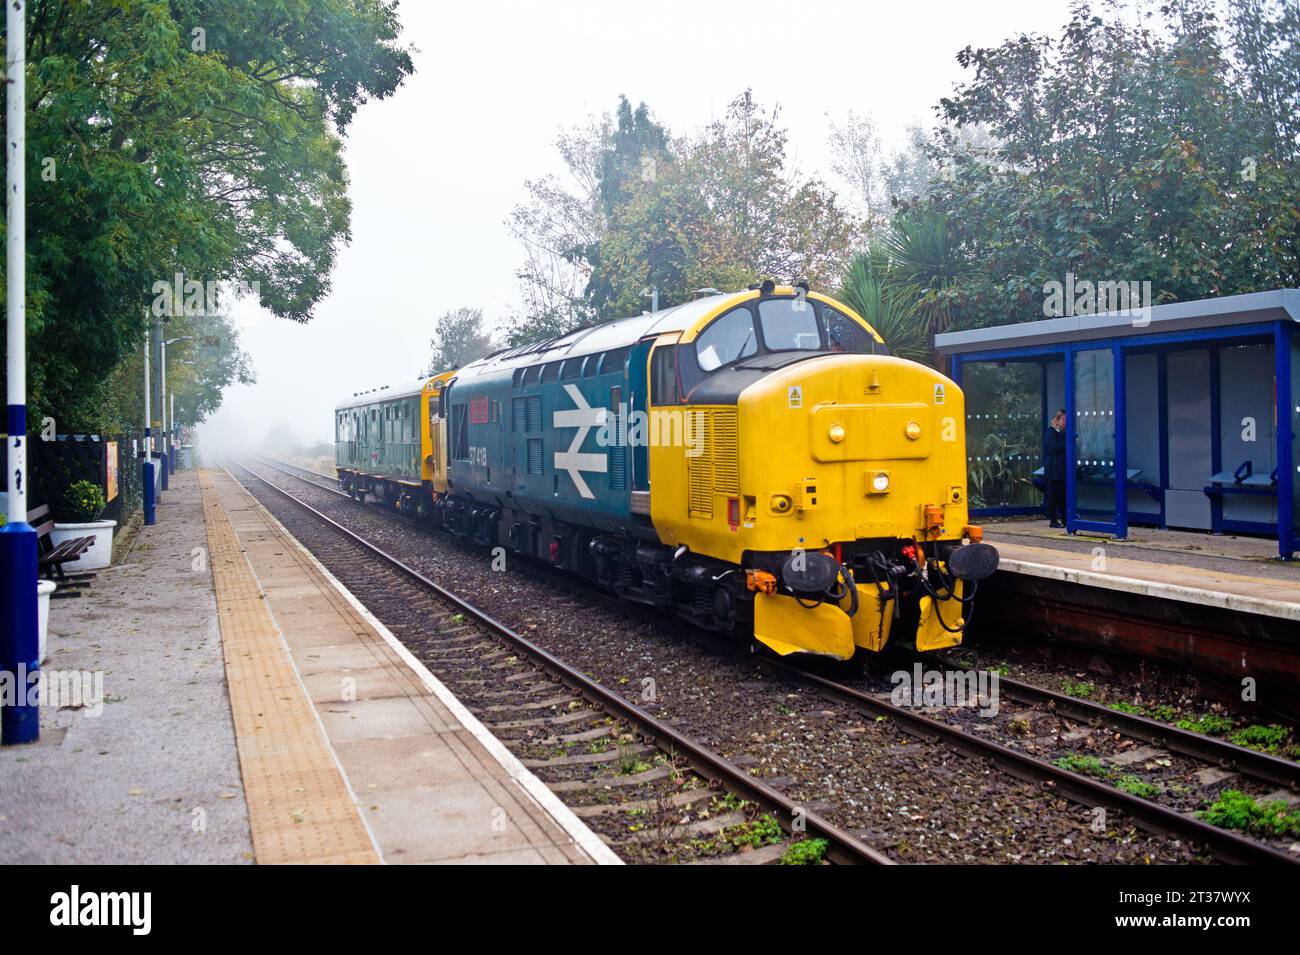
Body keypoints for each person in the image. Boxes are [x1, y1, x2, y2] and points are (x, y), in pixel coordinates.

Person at [1043, 409, 1067, 528]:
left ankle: (1066, 520)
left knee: (1063, 497)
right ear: (1057, 420)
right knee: (1053, 496)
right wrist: (1066, 439)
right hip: (1053, 470)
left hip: (1063, 470)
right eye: (1064, 420)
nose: (1065, 423)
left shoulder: (1065, 433)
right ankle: (1053, 520)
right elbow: (1055, 447)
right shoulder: (1051, 432)